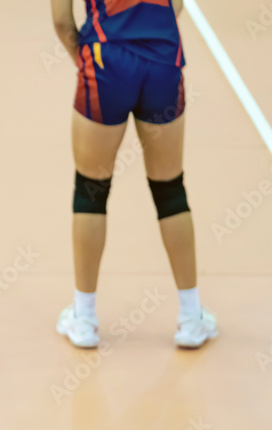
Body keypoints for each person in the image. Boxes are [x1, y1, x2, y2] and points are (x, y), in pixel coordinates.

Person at [51, 0, 218, 349]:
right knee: (170, 188)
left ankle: (84, 318)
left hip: (105, 61)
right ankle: (191, 318)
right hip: (163, 59)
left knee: (91, 190)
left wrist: (87, 61)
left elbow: (61, 20)